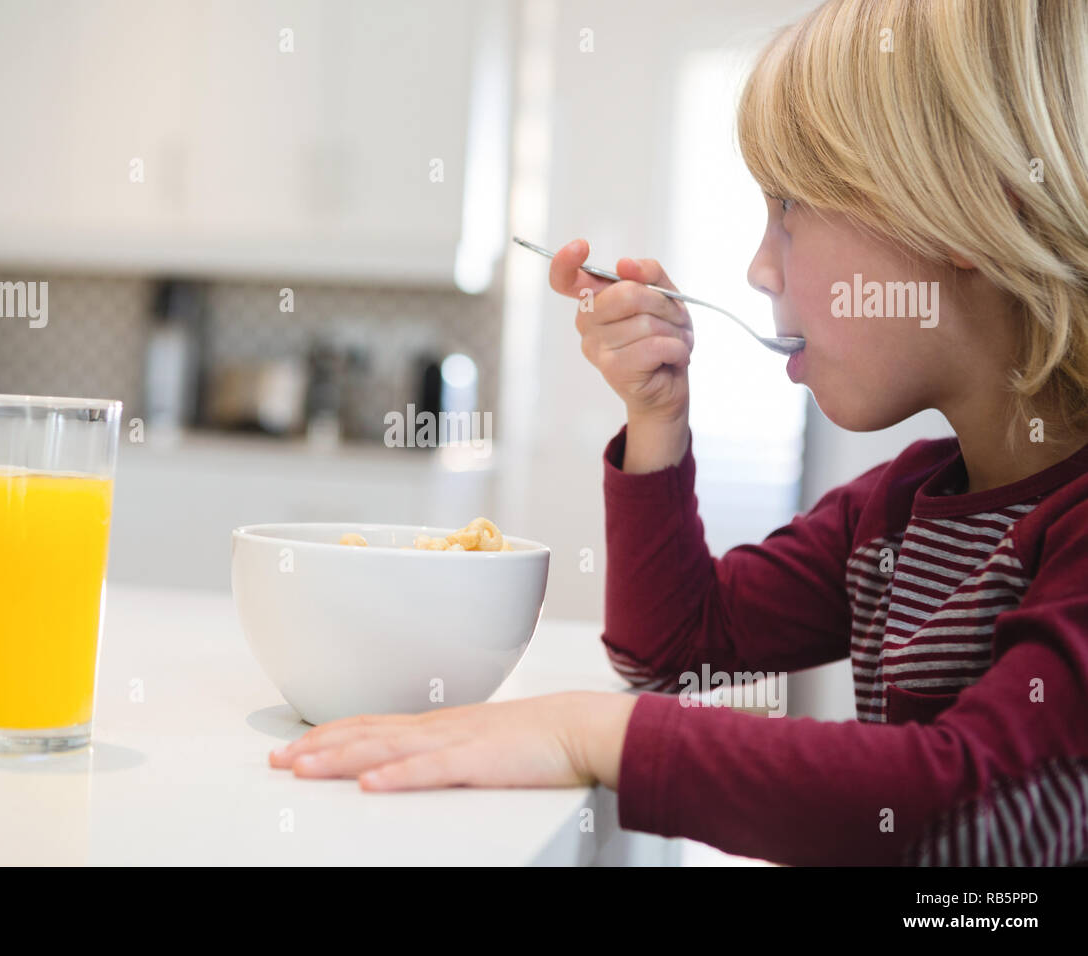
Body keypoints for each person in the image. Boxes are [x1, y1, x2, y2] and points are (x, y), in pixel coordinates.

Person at [270, 0, 1088, 865]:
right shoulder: (894, 513)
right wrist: (656, 417)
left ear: (965, 207)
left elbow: (975, 806)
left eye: (790, 210)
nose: (759, 266)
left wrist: (592, 733)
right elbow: (674, 649)